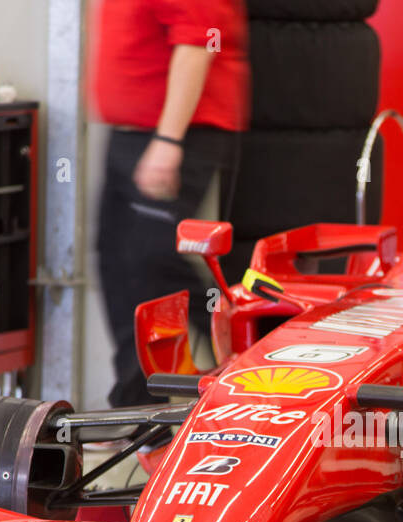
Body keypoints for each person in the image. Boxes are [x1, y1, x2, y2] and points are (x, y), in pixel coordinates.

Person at [91, 0, 248, 407]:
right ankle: (137, 407)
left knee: (153, 261)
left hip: (174, 134)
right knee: (120, 267)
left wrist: (168, 140)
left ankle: (251, 363)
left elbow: (199, 44)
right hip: (132, 132)